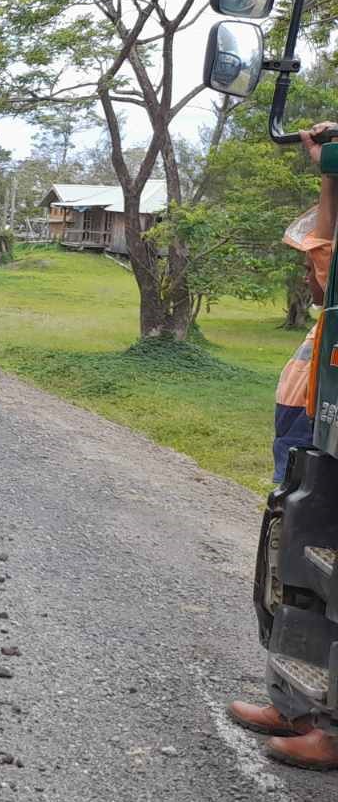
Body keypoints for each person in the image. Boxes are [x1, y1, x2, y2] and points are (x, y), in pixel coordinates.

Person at [230, 123, 338, 770]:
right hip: (313, 414)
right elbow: (326, 259)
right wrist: (327, 170)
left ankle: (331, 729)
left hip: (323, 415)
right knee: (299, 562)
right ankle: (299, 703)